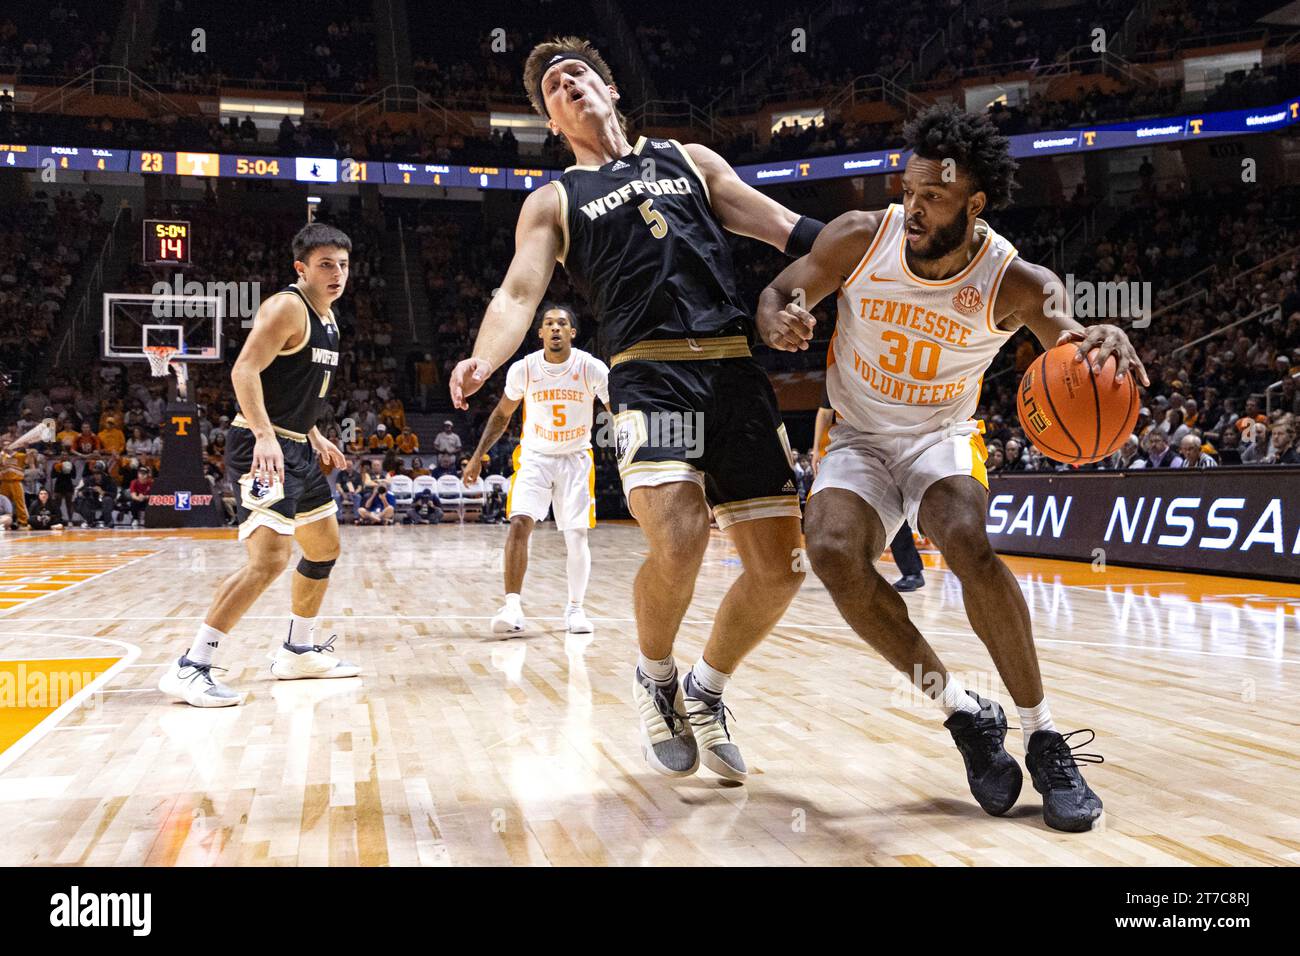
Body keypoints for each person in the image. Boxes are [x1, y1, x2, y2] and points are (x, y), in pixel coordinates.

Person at [758, 105, 1148, 832]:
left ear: (974, 204)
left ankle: (1044, 734)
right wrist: (780, 317)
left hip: (939, 433)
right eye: (908, 191)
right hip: (857, 436)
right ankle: (963, 712)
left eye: (932, 197)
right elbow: (780, 292)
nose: (913, 206)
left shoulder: (1012, 280)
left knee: (964, 536)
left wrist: (1097, 335)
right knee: (831, 553)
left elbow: (1065, 330)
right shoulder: (857, 238)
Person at [450, 37, 818, 782]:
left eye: (577, 74)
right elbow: (520, 292)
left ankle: (706, 689)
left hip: (734, 372)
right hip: (650, 376)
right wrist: (485, 358)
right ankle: (655, 674)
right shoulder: (554, 199)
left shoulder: (690, 159)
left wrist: (848, 269)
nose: (567, 86)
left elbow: (787, 229)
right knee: (679, 537)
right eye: (552, 88)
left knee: (782, 570)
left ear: (611, 90)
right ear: (552, 122)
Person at [158, 223, 359, 708]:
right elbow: (244, 370)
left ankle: (298, 651)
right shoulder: (286, 306)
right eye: (326, 264)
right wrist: (268, 434)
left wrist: (313, 434)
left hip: (295, 447)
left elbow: (287, 387)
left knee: (324, 548)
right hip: (259, 446)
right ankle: (192, 665)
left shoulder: (329, 319)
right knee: (269, 560)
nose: (337, 274)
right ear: (301, 268)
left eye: (344, 265)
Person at [463, 304, 610, 635]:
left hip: (575, 458)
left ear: (572, 332)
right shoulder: (524, 369)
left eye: (562, 323)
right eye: (548, 323)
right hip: (534, 456)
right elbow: (502, 416)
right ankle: (512, 606)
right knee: (518, 523)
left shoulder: (591, 368)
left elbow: (617, 410)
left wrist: (635, 452)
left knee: (576, 535)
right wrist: (476, 457)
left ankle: (575, 610)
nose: (555, 328)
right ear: (540, 333)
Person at [815, 383, 925, 591]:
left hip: (892, 441)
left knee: (893, 506)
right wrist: (816, 450)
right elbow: (824, 412)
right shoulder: (842, 369)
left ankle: (911, 571)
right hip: (855, 446)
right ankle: (855, 567)